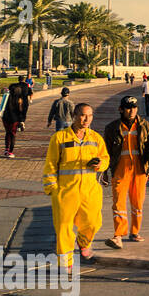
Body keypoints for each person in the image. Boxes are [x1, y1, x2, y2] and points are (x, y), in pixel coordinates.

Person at [43, 103, 109, 269]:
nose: (87, 119)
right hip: (65, 191)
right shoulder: (59, 138)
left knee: (94, 222)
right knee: (63, 227)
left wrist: (100, 164)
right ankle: (66, 263)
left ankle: (83, 242)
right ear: (74, 115)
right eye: (82, 115)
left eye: (90, 115)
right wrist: (52, 188)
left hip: (90, 190)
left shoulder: (95, 138)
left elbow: (106, 159)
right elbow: (51, 163)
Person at [102, 95, 149, 249]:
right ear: (121, 109)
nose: (131, 110)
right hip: (120, 170)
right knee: (118, 203)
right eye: (128, 107)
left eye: (134, 107)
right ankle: (118, 235)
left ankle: (135, 232)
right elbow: (105, 151)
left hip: (140, 170)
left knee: (137, 202)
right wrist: (104, 171)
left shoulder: (145, 125)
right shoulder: (111, 128)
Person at [1, 75, 33, 158]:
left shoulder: (8, 98)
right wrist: (21, 121)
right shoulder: (19, 102)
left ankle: (6, 149)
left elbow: (2, 106)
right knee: (13, 134)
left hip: (5, 118)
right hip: (14, 119)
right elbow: (21, 112)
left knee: (7, 133)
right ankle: (10, 152)